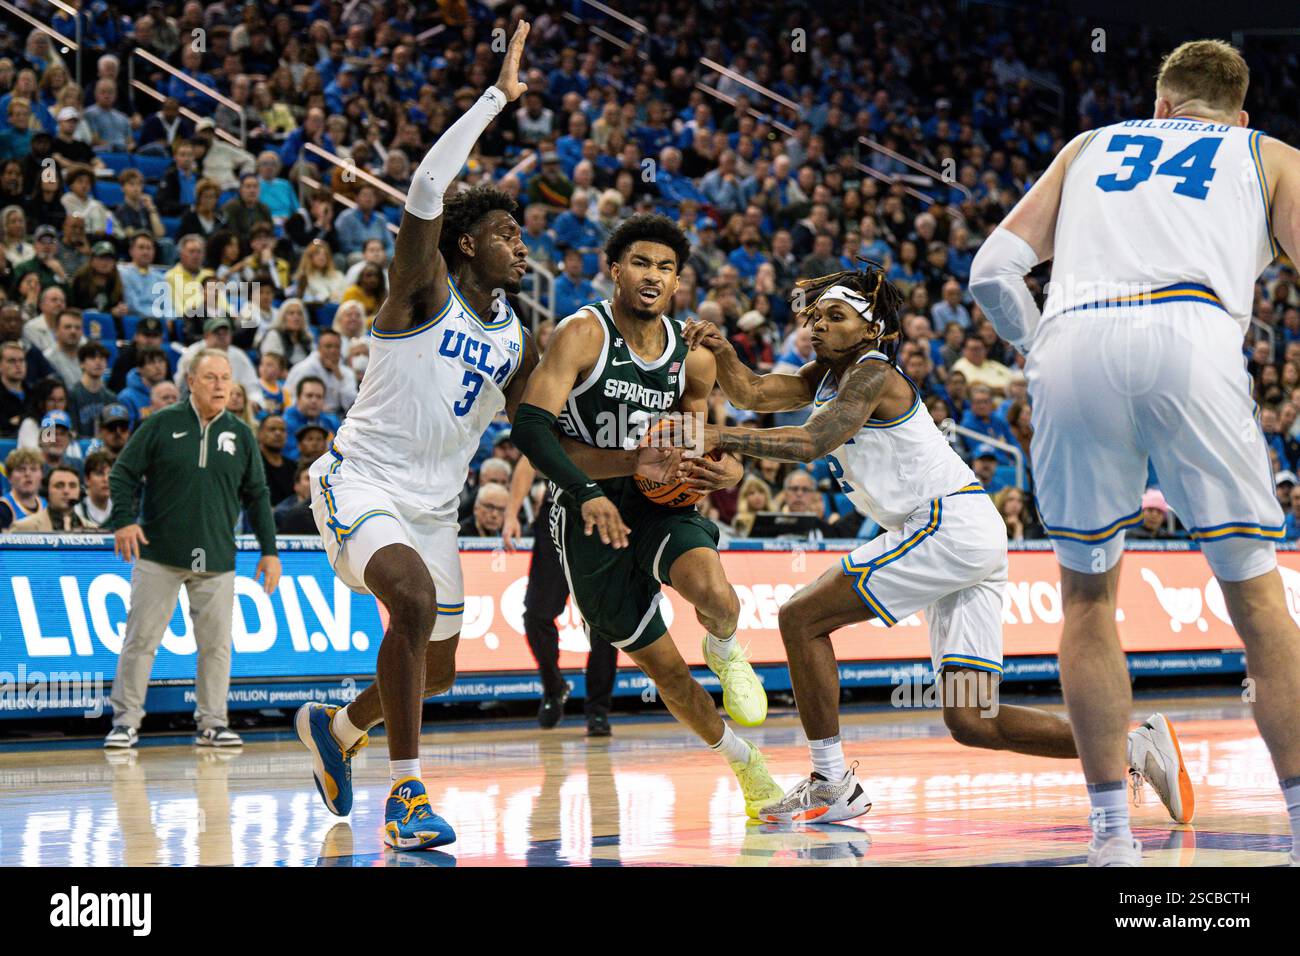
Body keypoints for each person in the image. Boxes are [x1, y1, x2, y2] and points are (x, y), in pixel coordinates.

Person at [293, 24, 667, 852]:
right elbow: (428, 184)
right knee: (415, 606)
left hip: (433, 509)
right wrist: (499, 95)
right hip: (359, 481)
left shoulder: (518, 342)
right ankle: (407, 799)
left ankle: (338, 731)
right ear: (468, 244)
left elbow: (539, 436)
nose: (522, 244)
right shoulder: (420, 290)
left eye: (522, 235)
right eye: (506, 235)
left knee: (441, 670)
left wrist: (626, 467)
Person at [681, 262, 1188, 827]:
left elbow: (811, 440)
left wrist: (721, 435)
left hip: (944, 526)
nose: (818, 326)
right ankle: (1134, 747)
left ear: (872, 330)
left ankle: (832, 780)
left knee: (801, 618)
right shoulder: (822, 375)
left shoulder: (873, 374)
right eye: (816, 316)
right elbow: (750, 390)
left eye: (836, 316)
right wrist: (723, 352)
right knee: (974, 721)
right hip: (965, 538)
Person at [968, 38, 1300, 866]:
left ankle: (1114, 834)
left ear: (1159, 105)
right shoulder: (1270, 154)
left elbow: (991, 271)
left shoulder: (1088, 145)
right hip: (1192, 334)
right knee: (1259, 605)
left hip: (1074, 336)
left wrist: (1042, 344)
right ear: (1240, 113)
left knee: (1086, 599)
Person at [512, 211, 782, 820]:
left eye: (665, 267)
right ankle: (747, 765)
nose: (653, 275)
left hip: (659, 504)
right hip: (586, 510)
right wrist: (598, 482)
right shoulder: (582, 333)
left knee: (717, 594)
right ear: (614, 271)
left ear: (678, 281)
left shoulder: (694, 355)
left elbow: (701, 438)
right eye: (640, 262)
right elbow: (531, 427)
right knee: (665, 670)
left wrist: (726, 469)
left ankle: (726, 646)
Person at [105, 349, 280, 750]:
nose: (221, 386)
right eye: (211, 378)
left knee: (216, 646)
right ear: (191, 382)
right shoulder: (161, 424)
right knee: (140, 640)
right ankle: (125, 722)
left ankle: (213, 723)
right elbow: (122, 474)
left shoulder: (240, 434)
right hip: (159, 555)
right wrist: (124, 521)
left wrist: (269, 551)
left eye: (226, 378)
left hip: (217, 558)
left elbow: (257, 495)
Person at [503, 457, 619, 735]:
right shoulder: (561, 413)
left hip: (607, 513)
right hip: (558, 512)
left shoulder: (625, 419)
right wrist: (511, 515)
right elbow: (528, 459)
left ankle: (598, 710)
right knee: (536, 614)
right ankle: (554, 686)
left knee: (604, 622)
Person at [9, 464, 85, 532]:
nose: (66, 491)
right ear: (46, 491)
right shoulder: (23, 528)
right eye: (59, 486)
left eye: (72, 486)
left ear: (80, 492)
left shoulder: (93, 528)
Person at [281, 376, 339, 458]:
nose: (314, 401)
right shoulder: (285, 423)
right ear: (298, 398)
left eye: (319, 397)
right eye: (309, 396)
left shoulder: (331, 421)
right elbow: (290, 456)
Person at [0, 447, 45, 529]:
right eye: (21, 469)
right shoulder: (2, 508)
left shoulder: (47, 505)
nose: (28, 474)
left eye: (33, 469)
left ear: (42, 475)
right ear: (9, 477)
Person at [257, 415, 296, 505]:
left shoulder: (293, 467)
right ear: (260, 433)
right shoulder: (251, 464)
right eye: (272, 429)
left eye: (282, 430)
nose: (278, 433)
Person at [75, 450, 113, 527]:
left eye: (110, 474)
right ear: (87, 480)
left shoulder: (120, 509)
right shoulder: (77, 511)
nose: (106, 479)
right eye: (99, 474)